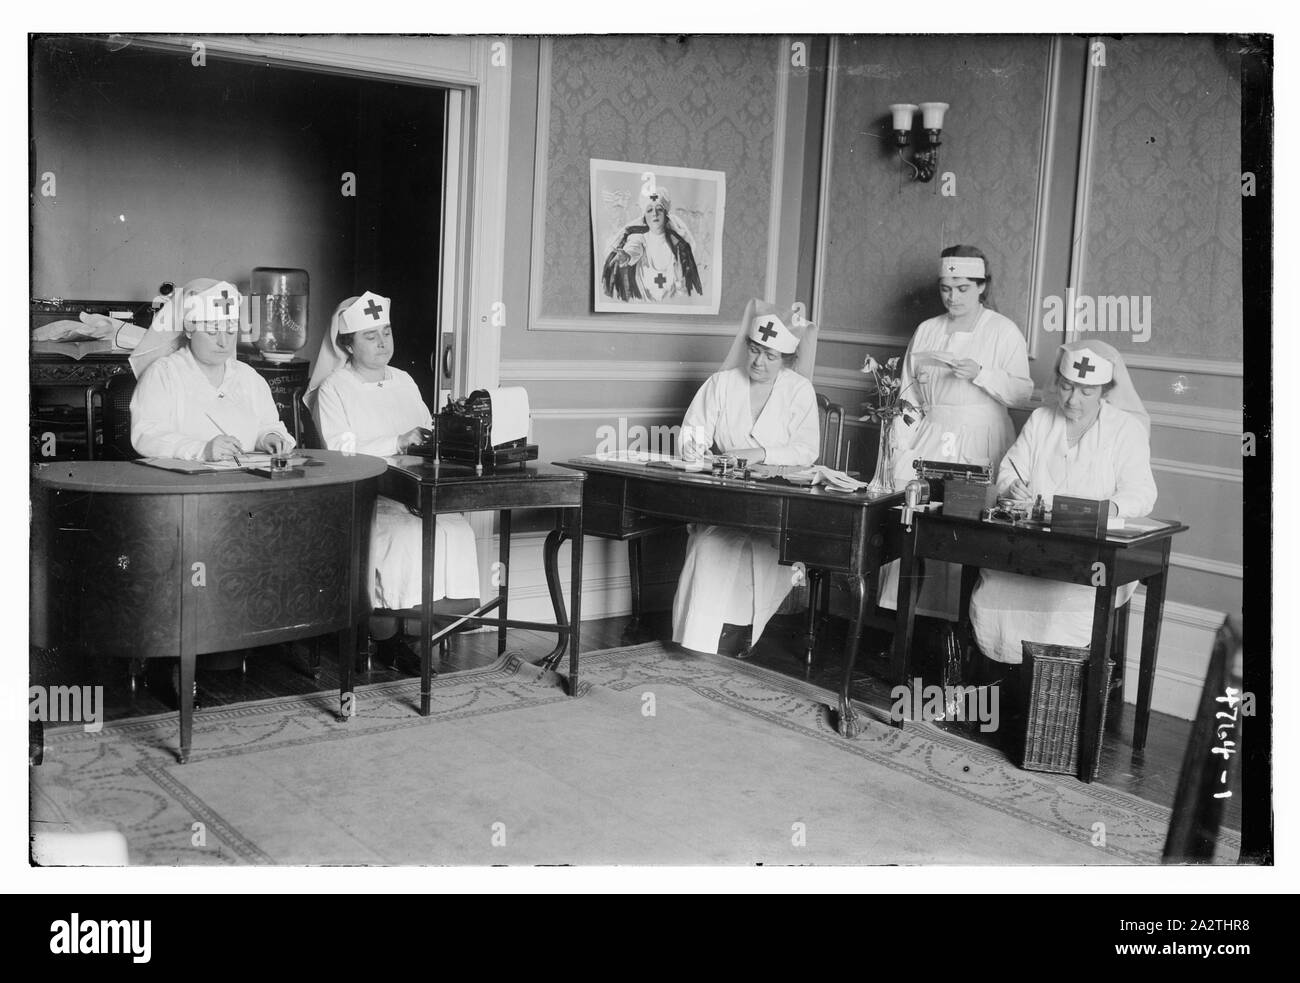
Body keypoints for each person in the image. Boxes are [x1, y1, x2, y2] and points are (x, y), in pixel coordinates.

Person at [969, 340, 1157, 667]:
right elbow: (1010, 469)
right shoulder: (1042, 419)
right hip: (1031, 547)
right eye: (1067, 388)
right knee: (995, 587)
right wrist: (1014, 487)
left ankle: (1051, 688)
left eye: (1086, 392)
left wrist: (1107, 509)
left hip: (1086, 557)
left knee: (1059, 603)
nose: (1072, 400)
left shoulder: (1126, 429)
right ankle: (1002, 684)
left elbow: (1142, 492)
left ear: (1105, 391)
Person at [306, 292, 481, 620]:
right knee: (407, 537)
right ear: (347, 345)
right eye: (370, 336)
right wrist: (398, 441)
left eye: (386, 332)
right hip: (371, 493)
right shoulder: (335, 387)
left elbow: (426, 429)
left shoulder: (404, 380)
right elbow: (339, 451)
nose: (382, 342)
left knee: (458, 530)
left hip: (416, 489)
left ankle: (435, 628)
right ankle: (393, 629)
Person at [879, 245, 1033, 614]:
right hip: (931, 436)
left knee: (968, 531)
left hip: (982, 436)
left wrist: (982, 374)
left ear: (982, 286)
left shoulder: (1002, 330)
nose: (953, 297)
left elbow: (1022, 392)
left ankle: (962, 625)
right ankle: (910, 622)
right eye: (947, 288)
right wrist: (900, 447)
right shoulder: (928, 330)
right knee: (914, 525)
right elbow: (908, 396)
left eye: (963, 288)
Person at [672, 301, 820, 656]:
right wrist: (700, 454)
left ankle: (744, 630)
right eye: (754, 351)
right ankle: (702, 633)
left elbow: (806, 449)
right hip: (726, 495)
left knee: (763, 551)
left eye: (770, 356)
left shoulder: (799, 390)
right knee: (711, 545)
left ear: (785, 358)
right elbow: (692, 435)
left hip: (778, 498)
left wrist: (761, 454)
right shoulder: (721, 384)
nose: (758, 362)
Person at [129, 277, 294, 461]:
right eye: (212, 332)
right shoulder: (163, 374)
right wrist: (203, 450)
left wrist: (269, 437)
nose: (224, 343)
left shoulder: (248, 377)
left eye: (230, 332)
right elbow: (147, 435)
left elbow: (267, 424)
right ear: (189, 330)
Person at [601, 187, 703, 303]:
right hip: (643, 300)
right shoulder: (640, 237)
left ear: (665, 214)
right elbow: (633, 248)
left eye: (659, 209)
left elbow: (685, 293)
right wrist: (626, 256)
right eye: (649, 210)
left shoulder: (677, 243)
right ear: (644, 216)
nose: (655, 214)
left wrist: (680, 282)